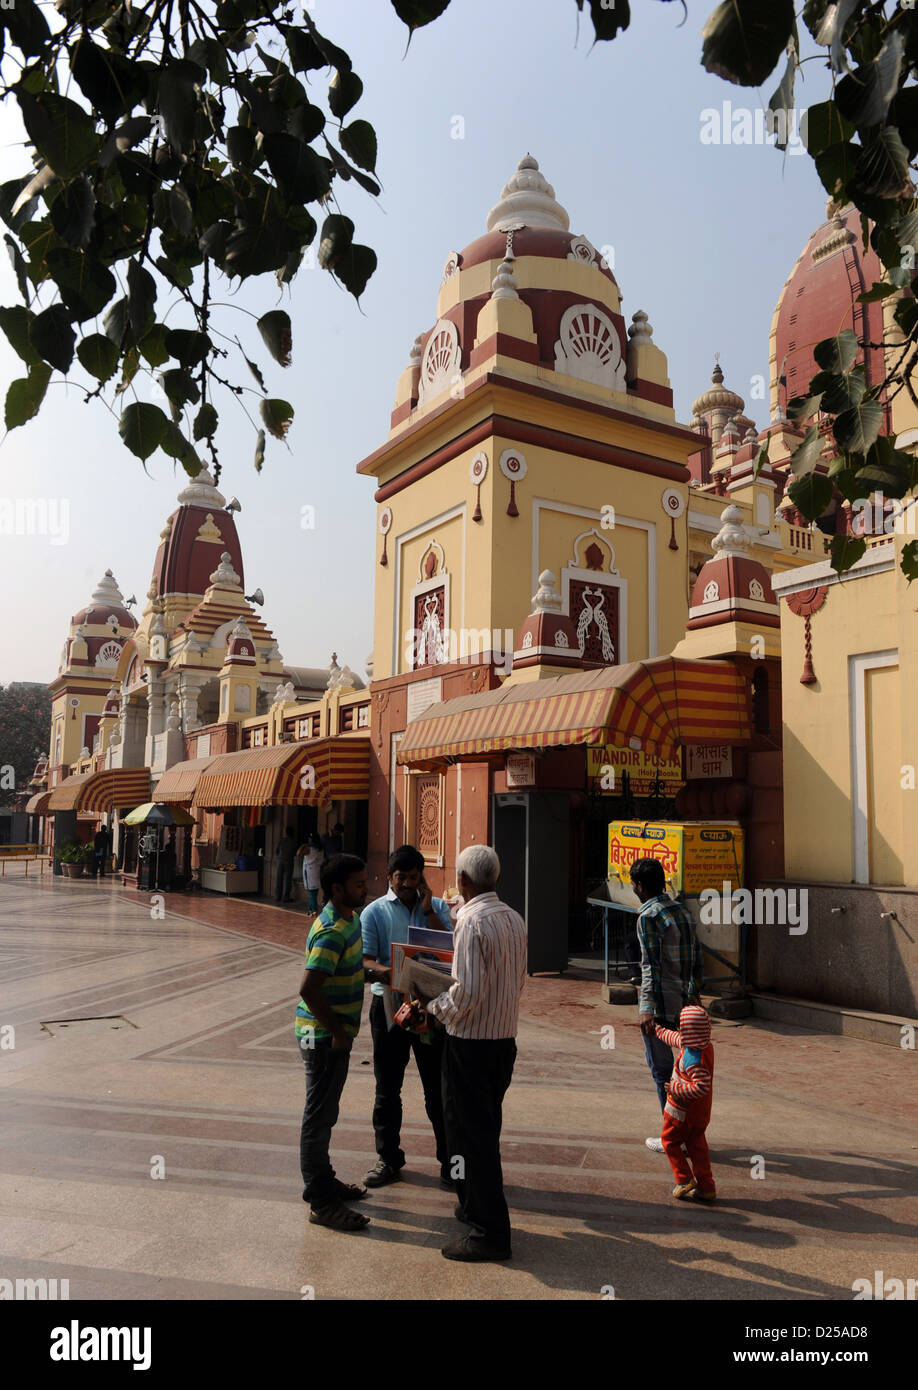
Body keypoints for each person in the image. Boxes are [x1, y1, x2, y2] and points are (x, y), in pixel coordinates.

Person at [425, 844, 527, 1263]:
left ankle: (490, 1232)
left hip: (470, 1043)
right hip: (502, 1040)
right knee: (476, 1129)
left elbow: (465, 991)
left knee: (472, 1136)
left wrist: (431, 1007)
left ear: (464, 881)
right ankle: (471, 1204)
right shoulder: (512, 917)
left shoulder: (471, 921)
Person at [359, 844, 453, 1189]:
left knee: (437, 1090)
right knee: (387, 1090)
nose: (408, 884)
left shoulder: (438, 907)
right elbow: (365, 962)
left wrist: (429, 911)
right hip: (390, 1010)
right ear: (389, 876)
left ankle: (449, 1162)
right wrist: (394, 973)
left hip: (430, 1009)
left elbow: (448, 953)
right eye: (402, 878)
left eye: (415, 878)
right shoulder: (374, 913)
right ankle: (388, 1159)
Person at [295, 853, 371, 1232]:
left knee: (326, 1113)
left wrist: (381, 972)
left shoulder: (350, 920)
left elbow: (349, 967)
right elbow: (309, 989)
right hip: (321, 1036)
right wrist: (338, 1033)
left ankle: (326, 1181)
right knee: (318, 1116)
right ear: (337, 888)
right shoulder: (330, 930)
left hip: (332, 1035)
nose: (365, 888)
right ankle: (321, 1202)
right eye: (358, 884)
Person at [629, 857, 704, 1155]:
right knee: (687, 1073)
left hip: (660, 1006)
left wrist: (646, 1008)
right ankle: (689, 1133)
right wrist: (694, 994)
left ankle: (672, 1136)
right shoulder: (684, 912)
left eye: (634, 884)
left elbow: (651, 967)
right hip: (685, 1006)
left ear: (640, 886)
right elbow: (697, 959)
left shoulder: (648, 916)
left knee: (662, 1072)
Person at [654, 1004, 716, 1202]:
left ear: (687, 1031)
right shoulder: (704, 1045)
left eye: (681, 1028)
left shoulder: (692, 1058)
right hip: (700, 1115)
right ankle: (707, 1188)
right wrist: (657, 1030)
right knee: (697, 1148)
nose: (679, 1032)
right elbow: (677, 1039)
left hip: (683, 1113)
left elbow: (700, 1087)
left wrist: (675, 1089)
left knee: (669, 1141)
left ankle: (684, 1179)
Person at [297, 833, 323, 916]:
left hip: (310, 872)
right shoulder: (320, 848)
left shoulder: (310, 849)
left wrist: (305, 844)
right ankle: (310, 909)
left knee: (311, 893)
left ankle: (313, 910)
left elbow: (298, 853)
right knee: (313, 893)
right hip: (316, 871)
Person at [275, 825, 297, 903]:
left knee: (279, 878)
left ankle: (277, 896)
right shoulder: (294, 841)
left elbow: (276, 851)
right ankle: (285, 897)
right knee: (287, 880)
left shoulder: (281, 840)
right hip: (289, 861)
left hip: (280, 861)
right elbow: (295, 853)